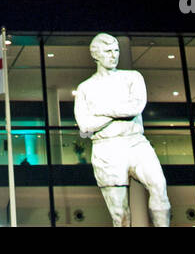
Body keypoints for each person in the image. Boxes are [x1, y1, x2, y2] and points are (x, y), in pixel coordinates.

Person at [73, 33, 172, 227]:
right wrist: (119, 111)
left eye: (116, 50)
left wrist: (102, 112)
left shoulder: (132, 77)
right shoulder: (85, 88)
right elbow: (85, 126)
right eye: (108, 51)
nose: (113, 55)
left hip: (135, 142)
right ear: (96, 55)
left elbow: (135, 108)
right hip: (106, 148)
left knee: (159, 188)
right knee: (119, 213)